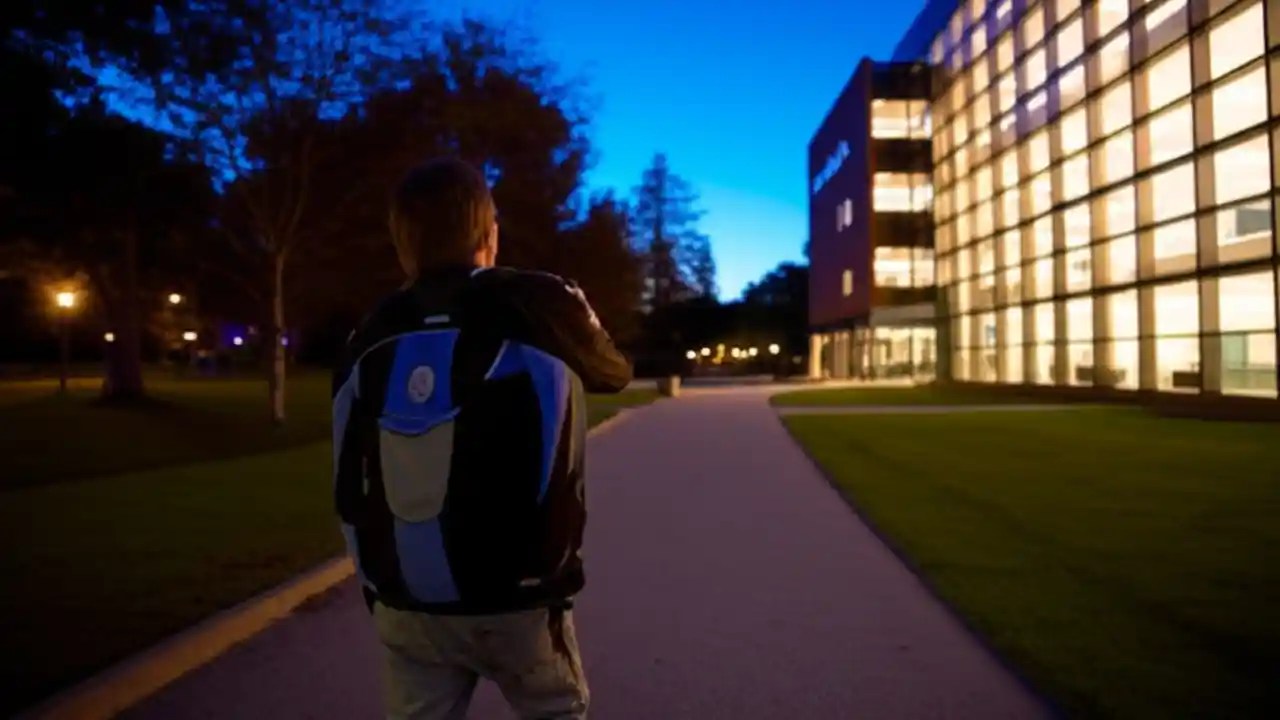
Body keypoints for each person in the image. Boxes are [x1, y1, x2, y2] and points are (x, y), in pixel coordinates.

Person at [332, 158, 632, 720]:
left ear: (402, 243)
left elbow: (347, 481)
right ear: (490, 233)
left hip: (406, 599)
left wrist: (373, 586)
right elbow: (613, 372)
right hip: (520, 595)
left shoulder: (370, 331)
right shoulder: (539, 304)